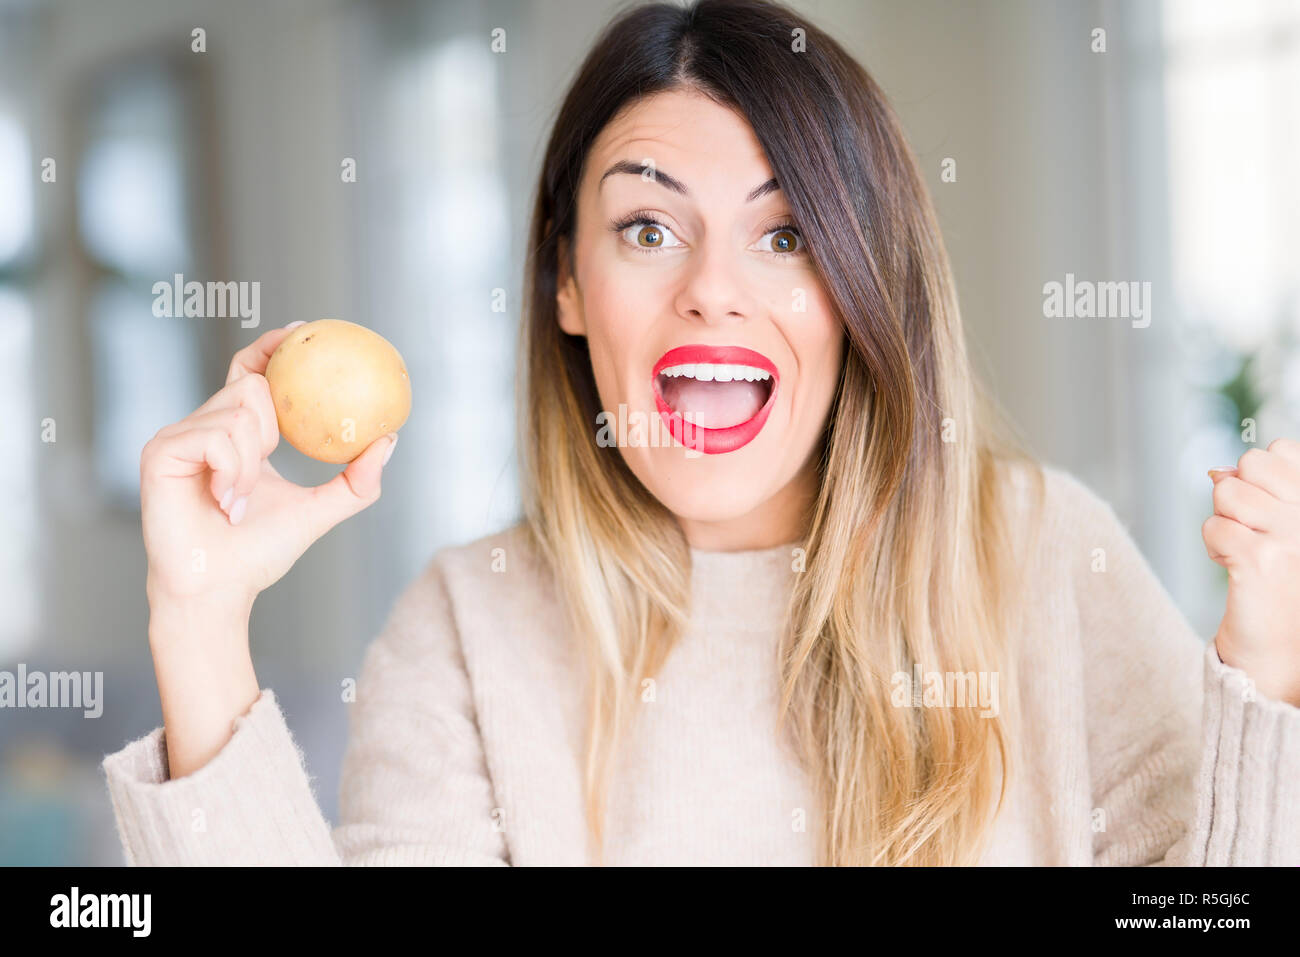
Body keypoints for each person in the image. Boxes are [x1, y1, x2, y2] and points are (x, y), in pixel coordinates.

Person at [102, 0, 1299, 866]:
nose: (713, 290)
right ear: (565, 285)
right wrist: (200, 627)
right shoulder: (467, 630)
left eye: (784, 236)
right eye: (646, 229)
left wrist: (1276, 681)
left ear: (859, 290)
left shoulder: (1039, 552)